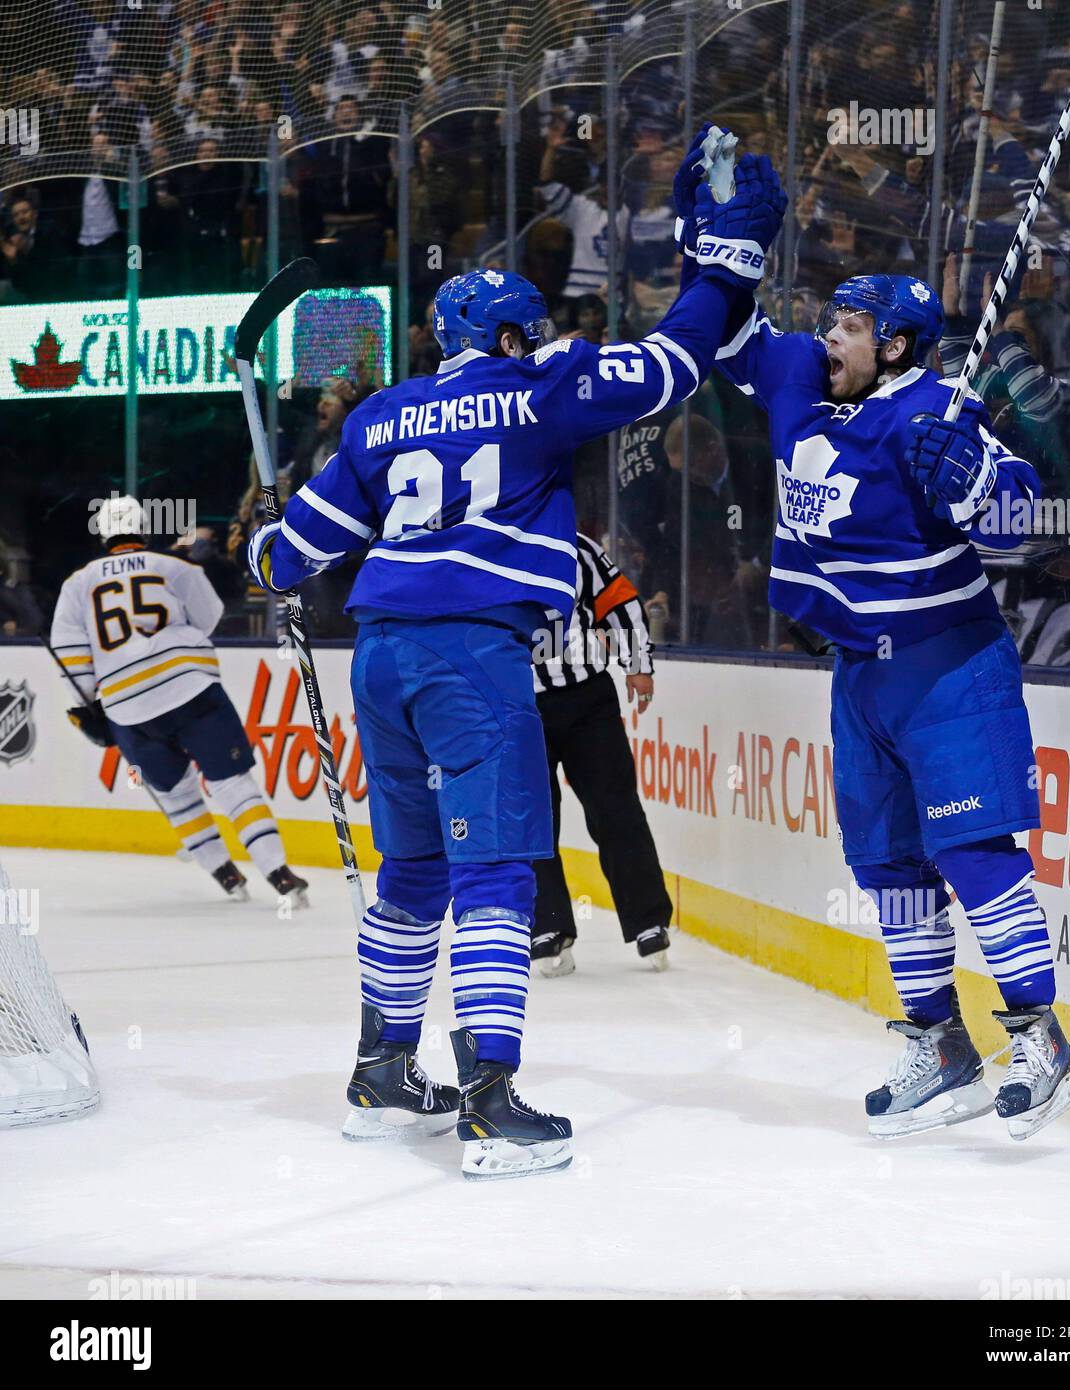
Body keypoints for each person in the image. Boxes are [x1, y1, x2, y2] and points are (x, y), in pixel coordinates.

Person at [245, 157, 785, 1179]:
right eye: (525, 328)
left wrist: (266, 537)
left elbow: (285, 559)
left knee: (411, 874)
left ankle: (382, 1074)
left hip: (383, 663)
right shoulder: (542, 384)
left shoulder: (380, 415)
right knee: (494, 872)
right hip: (472, 657)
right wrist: (721, 268)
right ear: (503, 338)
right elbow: (672, 364)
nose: (536, 339)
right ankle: (490, 1101)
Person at [673, 126, 1070, 1143]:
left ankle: (1036, 1036)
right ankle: (938, 1045)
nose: (826, 338)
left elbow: (1021, 510)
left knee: (972, 848)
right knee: (889, 868)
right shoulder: (803, 383)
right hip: (858, 673)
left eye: (846, 328)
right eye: (827, 322)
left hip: (947, 666)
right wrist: (708, 247)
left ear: (893, 346)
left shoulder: (938, 412)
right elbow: (723, 338)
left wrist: (981, 478)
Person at [49, 496, 309, 908]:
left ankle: (224, 874)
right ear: (143, 529)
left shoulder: (77, 583)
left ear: (102, 534)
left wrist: (87, 705)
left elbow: (68, 648)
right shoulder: (174, 566)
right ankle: (279, 873)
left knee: (174, 792)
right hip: (189, 687)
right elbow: (208, 616)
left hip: (126, 705)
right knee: (231, 783)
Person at [530, 532, 672, 977]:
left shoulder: (577, 547)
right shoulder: (485, 544)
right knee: (533, 820)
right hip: (518, 705)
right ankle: (549, 926)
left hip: (587, 699)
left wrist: (638, 664)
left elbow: (620, 602)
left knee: (616, 809)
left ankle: (648, 920)